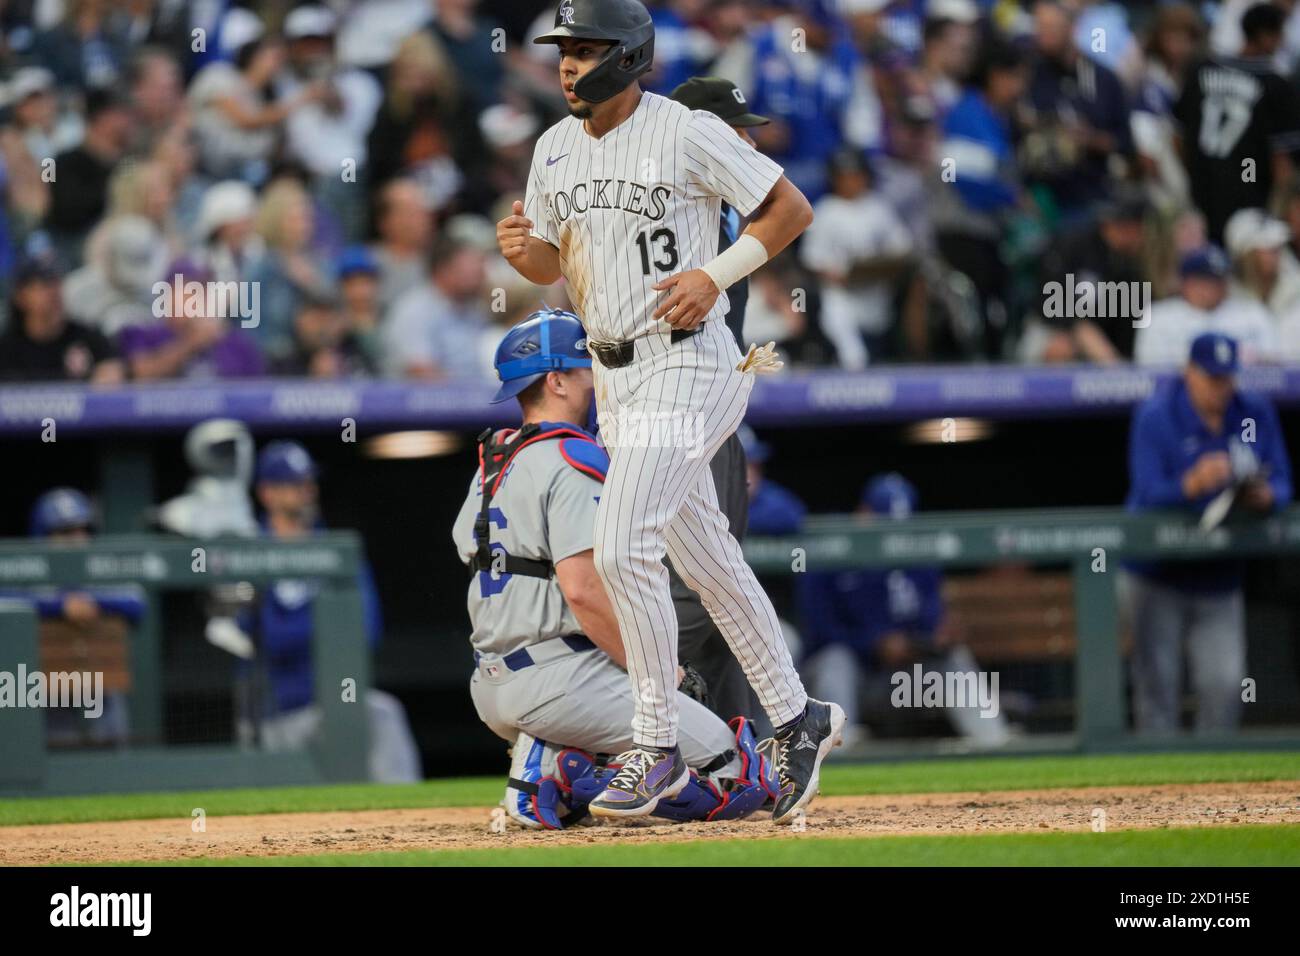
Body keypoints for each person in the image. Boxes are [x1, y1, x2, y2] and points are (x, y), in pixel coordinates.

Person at [498, 0, 841, 823]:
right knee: (709, 561)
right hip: (614, 376)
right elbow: (553, 259)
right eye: (564, 50)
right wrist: (525, 254)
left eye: (585, 49)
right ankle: (799, 717)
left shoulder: (684, 128)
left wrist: (716, 275)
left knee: (620, 548)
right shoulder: (552, 148)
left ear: (629, 54)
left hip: (691, 361)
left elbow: (791, 208)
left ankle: (653, 743)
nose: (569, 64)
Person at [454, 309, 777, 829]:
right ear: (556, 380)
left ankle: (560, 759)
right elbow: (582, 591)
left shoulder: (492, 464)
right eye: (590, 365)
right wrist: (658, 673)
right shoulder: (571, 456)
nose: (601, 375)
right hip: (562, 679)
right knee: (738, 776)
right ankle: (553, 768)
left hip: (493, 683)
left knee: (653, 757)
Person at [665, 73, 774, 736]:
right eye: (733, 130)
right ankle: (658, 722)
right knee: (690, 580)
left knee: (722, 574)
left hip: (713, 405)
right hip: (663, 402)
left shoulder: (730, 207)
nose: (744, 141)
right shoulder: (664, 196)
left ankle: (743, 743)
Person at [1125, 332, 1293, 733]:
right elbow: (1146, 493)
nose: (1221, 387)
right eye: (1211, 377)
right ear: (1189, 372)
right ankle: (1153, 791)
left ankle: (1212, 792)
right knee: (1158, 690)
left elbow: (1284, 479)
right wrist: (1191, 484)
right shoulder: (1156, 415)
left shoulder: (1252, 411)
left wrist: (1267, 496)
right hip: (1157, 575)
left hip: (1219, 575)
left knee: (1224, 685)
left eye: (1227, 377)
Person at [241, 441, 422, 782]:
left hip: (338, 702)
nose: (306, 491)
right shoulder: (250, 550)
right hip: (277, 710)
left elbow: (367, 631)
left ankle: (404, 821)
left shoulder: (336, 548)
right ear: (267, 493)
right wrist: (324, 627)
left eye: (309, 482)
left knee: (384, 712)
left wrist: (301, 627)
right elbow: (265, 640)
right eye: (294, 484)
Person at [797, 475, 1010, 748]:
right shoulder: (832, 552)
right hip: (851, 681)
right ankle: (840, 752)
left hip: (901, 684)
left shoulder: (919, 559)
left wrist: (937, 636)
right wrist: (874, 644)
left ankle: (995, 744)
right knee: (836, 661)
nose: (893, 534)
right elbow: (818, 632)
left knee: (953, 660)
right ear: (863, 514)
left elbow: (929, 620)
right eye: (884, 522)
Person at [16, 488, 143, 746]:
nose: (77, 538)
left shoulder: (98, 571)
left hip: (98, 684)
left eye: (82, 530)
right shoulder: (27, 571)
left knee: (108, 707)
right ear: (43, 535)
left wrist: (94, 602)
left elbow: (136, 601)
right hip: (42, 688)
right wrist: (59, 606)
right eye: (65, 532)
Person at [1174, 2, 1300, 244]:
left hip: (1200, 193)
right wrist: (1279, 214)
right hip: (1249, 203)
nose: (1282, 41)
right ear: (1265, 36)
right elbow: (1282, 162)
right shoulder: (1276, 85)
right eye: (1279, 34)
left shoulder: (1202, 70)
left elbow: (1178, 137)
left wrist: (1197, 170)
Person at [800, 147, 914, 368]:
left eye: (855, 175)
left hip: (876, 291)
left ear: (866, 176)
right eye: (844, 176)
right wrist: (838, 275)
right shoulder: (825, 210)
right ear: (834, 178)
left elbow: (902, 249)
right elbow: (810, 260)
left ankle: (913, 355)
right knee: (839, 321)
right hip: (841, 293)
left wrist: (879, 268)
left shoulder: (878, 208)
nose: (850, 181)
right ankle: (852, 369)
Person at [1135, 245, 1278, 365]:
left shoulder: (1253, 313)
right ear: (1186, 283)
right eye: (1205, 280)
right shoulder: (1158, 316)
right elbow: (1151, 371)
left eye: (1219, 280)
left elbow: (1274, 364)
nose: (1213, 288)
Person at [382, 235, 490, 379]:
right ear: (444, 270)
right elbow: (422, 373)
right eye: (473, 266)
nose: (481, 273)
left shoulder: (475, 309)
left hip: (476, 395)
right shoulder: (415, 310)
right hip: (429, 398)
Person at [0, 258, 124, 383]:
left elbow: (112, 373)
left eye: (57, 282)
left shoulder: (89, 340)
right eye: (43, 285)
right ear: (20, 296)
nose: (54, 291)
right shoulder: (6, 348)